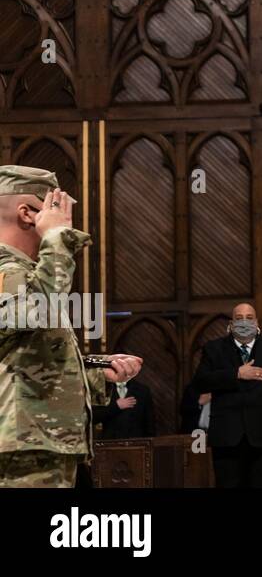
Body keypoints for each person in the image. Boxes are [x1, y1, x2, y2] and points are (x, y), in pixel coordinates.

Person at [0, 166, 143, 487]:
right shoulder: (4, 269)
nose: (64, 216)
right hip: (23, 446)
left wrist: (95, 373)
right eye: (53, 205)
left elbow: (22, 355)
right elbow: (35, 312)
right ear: (27, 213)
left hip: (36, 441)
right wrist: (55, 238)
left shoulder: (25, 272)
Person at [194, 302, 262, 488]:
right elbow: (200, 382)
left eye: (249, 318)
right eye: (239, 318)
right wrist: (236, 374)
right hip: (227, 438)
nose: (244, 322)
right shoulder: (214, 349)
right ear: (232, 323)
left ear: (257, 321)